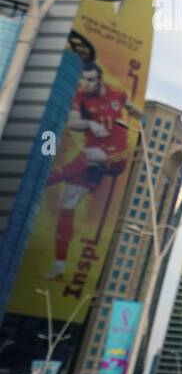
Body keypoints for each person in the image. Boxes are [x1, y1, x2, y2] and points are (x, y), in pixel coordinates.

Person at [43, 61, 131, 279]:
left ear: (99, 79)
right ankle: (60, 264)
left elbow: (129, 107)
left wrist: (139, 118)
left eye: (90, 79)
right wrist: (90, 124)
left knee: (52, 177)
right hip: (91, 159)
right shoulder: (81, 99)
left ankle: (39, 181)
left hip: (112, 157)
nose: (85, 84)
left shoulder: (117, 94)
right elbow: (72, 121)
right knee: (68, 203)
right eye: (83, 80)